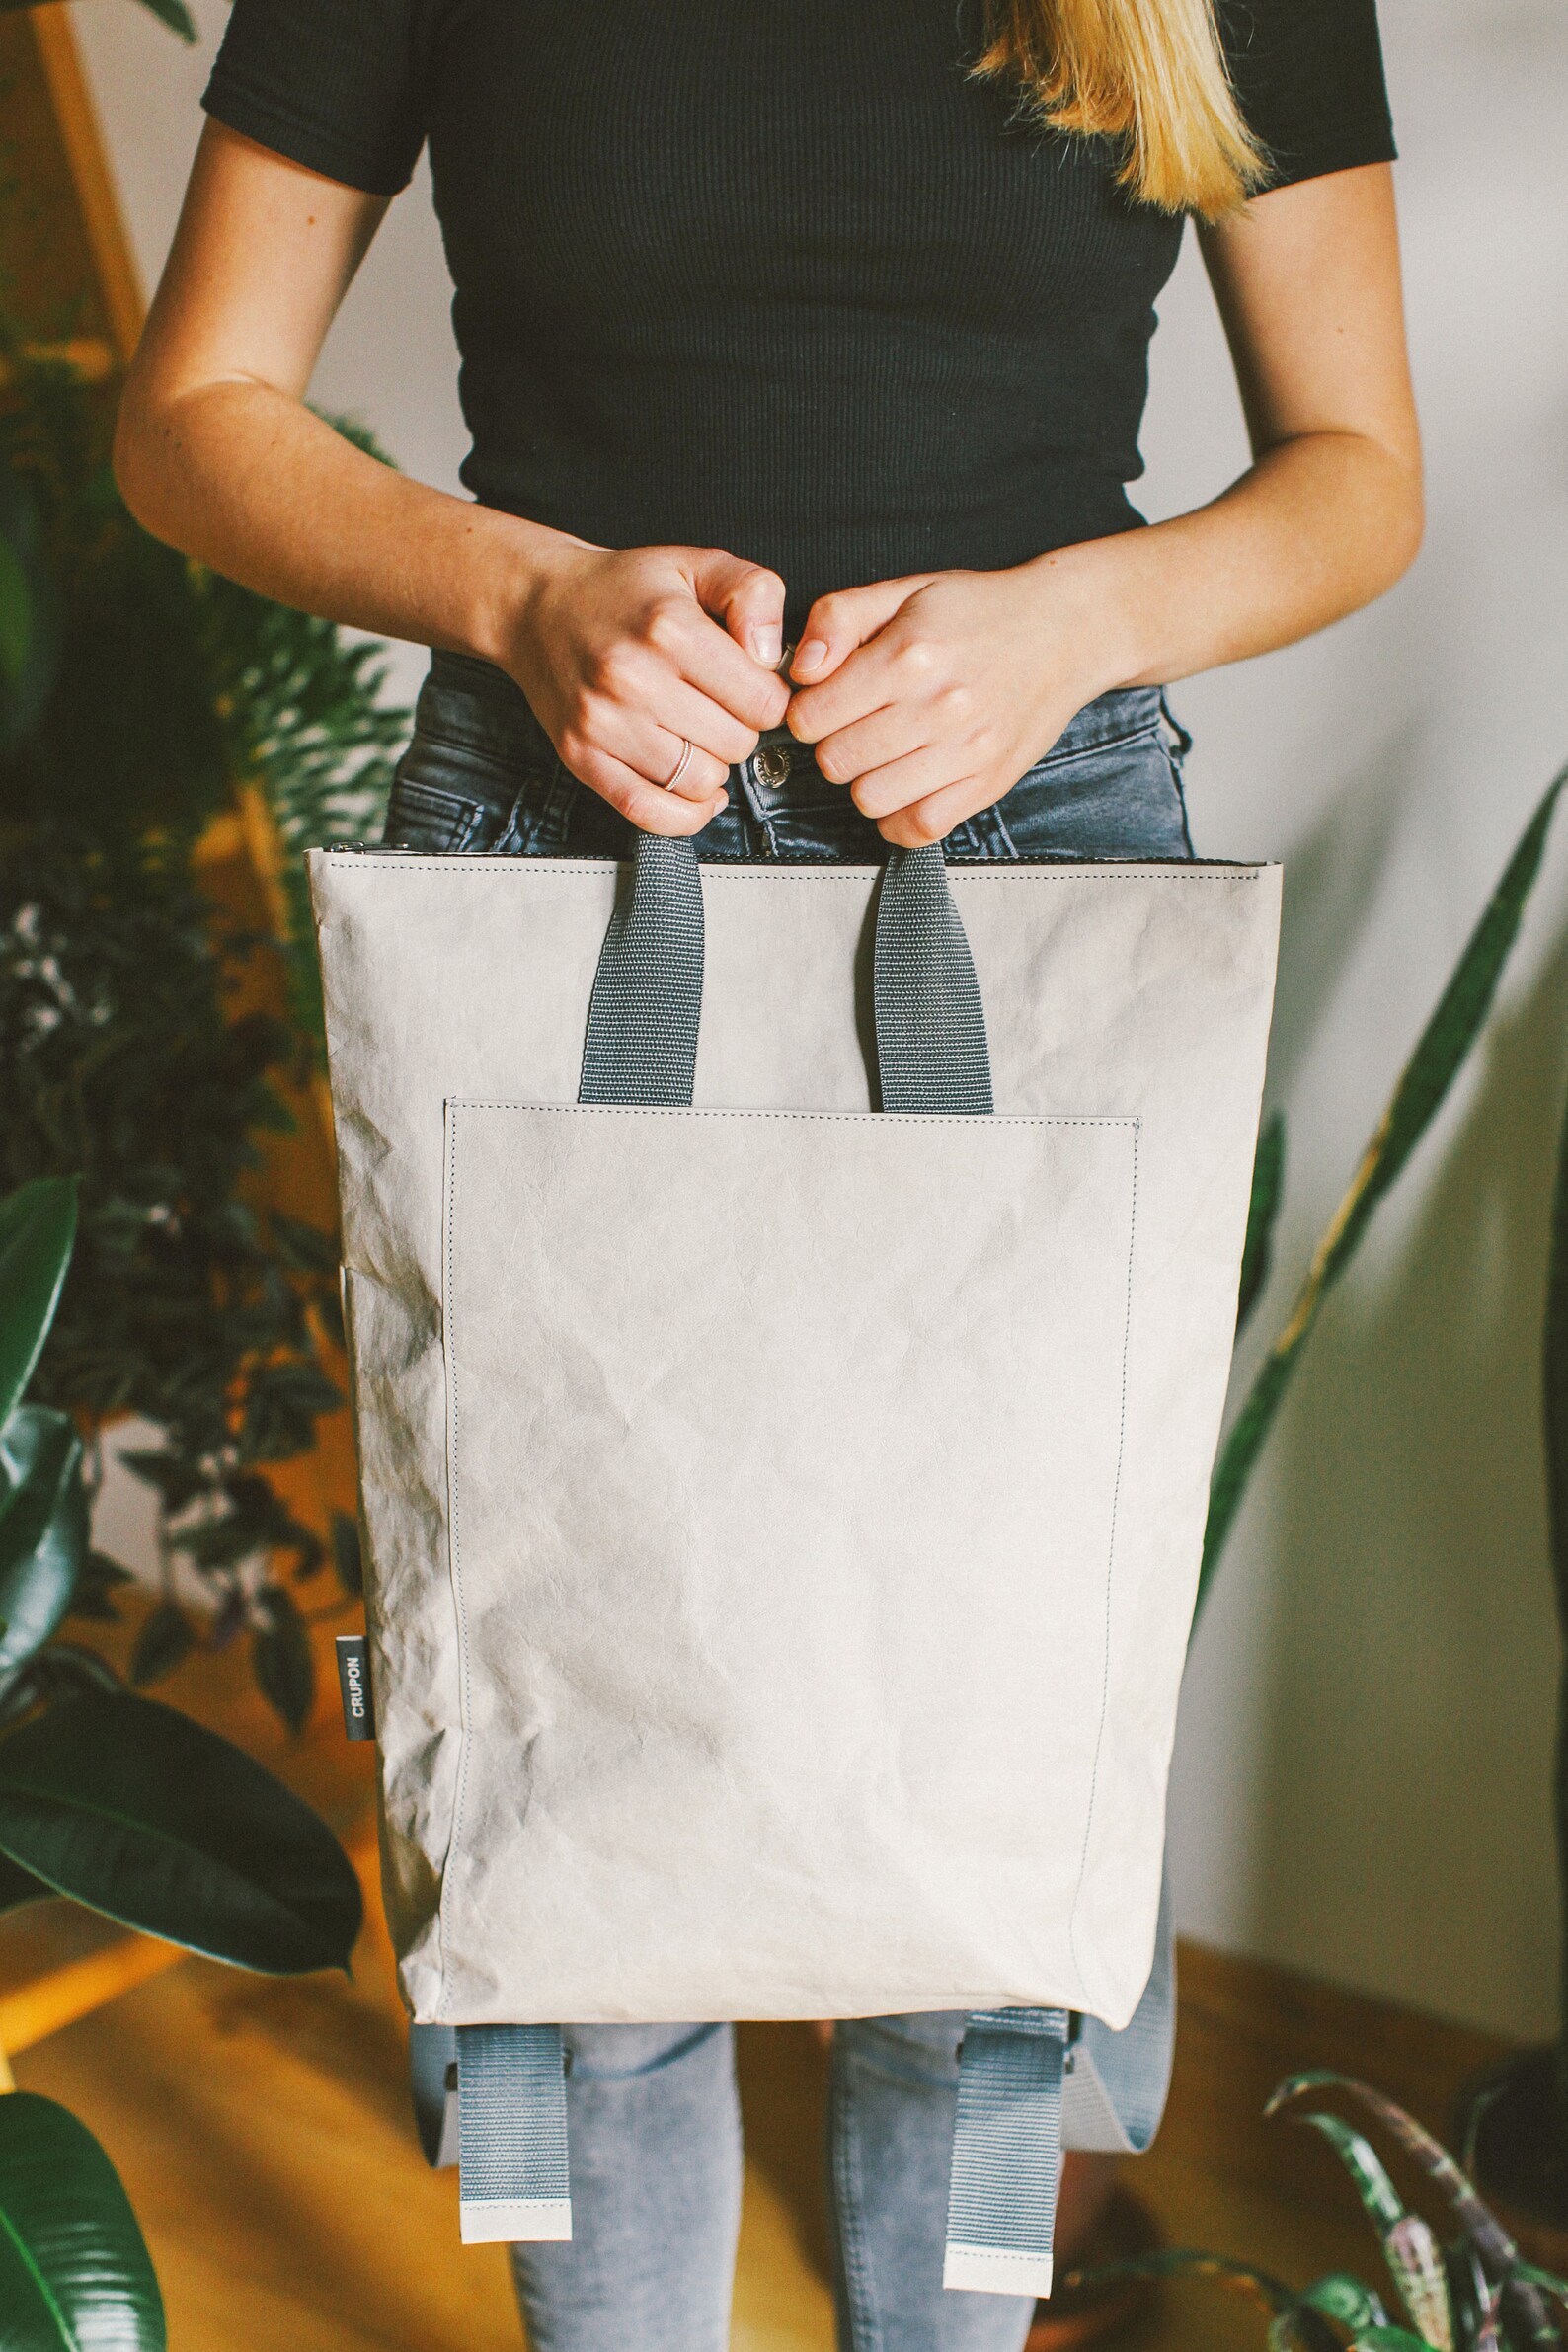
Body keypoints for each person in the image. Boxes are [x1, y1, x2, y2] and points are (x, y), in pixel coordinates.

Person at [116, 2, 1422, 2345]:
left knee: (963, 1782)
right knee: (586, 1773)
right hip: (552, 837)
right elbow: (194, 413)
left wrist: (1079, 622)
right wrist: (523, 599)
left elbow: (1355, 466)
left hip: (1037, 860)